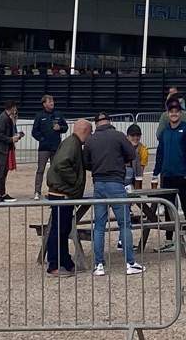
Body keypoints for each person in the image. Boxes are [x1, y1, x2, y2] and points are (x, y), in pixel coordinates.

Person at [83, 113, 145, 276]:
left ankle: (99, 265)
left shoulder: (90, 140)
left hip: (98, 183)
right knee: (124, 224)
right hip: (116, 182)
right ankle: (130, 263)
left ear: (96, 123)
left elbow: (86, 163)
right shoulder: (118, 136)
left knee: (99, 226)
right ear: (109, 122)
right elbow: (131, 155)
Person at [42, 118, 89, 277]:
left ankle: (66, 262)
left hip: (64, 193)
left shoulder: (73, 143)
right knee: (59, 229)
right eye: (90, 132)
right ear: (85, 131)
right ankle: (54, 264)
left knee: (64, 229)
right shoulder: (72, 144)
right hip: (61, 193)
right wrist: (75, 180)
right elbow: (61, 164)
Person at [153, 98, 186, 236]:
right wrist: (156, 172)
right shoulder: (164, 132)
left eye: (176, 111)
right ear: (167, 114)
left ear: (180, 113)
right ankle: (169, 239)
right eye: (171, 111)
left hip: (181, 175)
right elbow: (160, 153)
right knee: (168, 208)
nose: (174, 114)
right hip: (167, 175)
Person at [30, 95, 68, 199]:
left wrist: (60, 127)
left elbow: (66, 127)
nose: (52, 103)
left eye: (52, 101)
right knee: (40, 170)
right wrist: (42, 139)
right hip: (44, 148)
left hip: (56, 147)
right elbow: (34, 131)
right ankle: (37, 191)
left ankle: (54, 191)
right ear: (44, 103)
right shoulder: (39, 115)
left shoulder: (58, 114)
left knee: (55, 170)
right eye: (49, 101)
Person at [0, 99, 19, 202]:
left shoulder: (7, 118)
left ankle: (2, 193)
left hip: (5, 149)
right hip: (1, 149)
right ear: (12, 108)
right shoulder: (3, 119)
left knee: (4, 172)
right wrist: (10, 139)